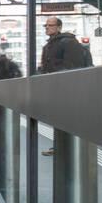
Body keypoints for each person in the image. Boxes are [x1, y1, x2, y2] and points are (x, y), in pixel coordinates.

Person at [39, 16, 92, 154]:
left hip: (66, 89)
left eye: (51, 25)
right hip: (55, 88)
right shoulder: (49, 45)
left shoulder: (68, 42)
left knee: (67, 119)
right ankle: (61, 147)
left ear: (59, 27)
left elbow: (73, 66)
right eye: (46, 25)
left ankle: (70, 148)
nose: (47, 27)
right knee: (59, 119)